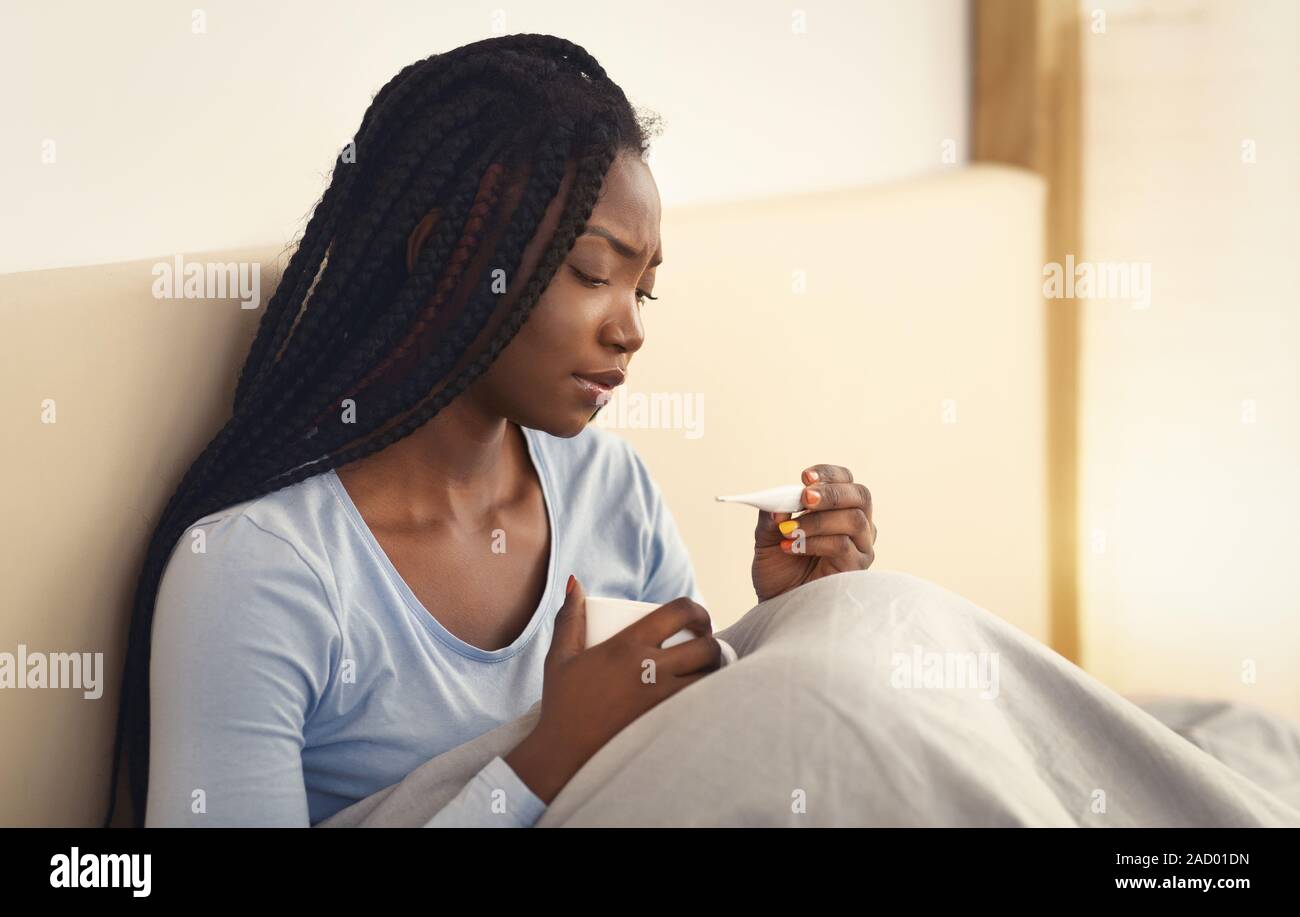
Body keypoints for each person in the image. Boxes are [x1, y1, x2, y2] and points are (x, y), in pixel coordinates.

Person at [101, 33, 875, 828]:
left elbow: (694, 771)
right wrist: (546, 756)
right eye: (590, 273)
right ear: (443, 255)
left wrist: (793, 621)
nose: (628, 330)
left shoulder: (612, 490)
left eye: (642, 292)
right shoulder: (260, 571)